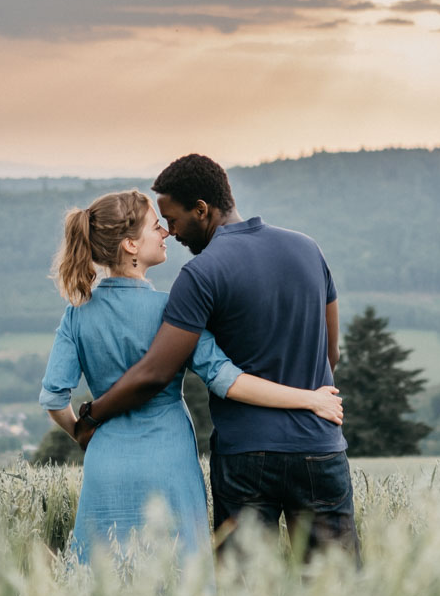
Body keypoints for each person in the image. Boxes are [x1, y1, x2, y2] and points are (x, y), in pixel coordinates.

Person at [73, 156, 360, 561]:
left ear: (201, 210)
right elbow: (331, 353)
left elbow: (155, 373)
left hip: (246, 459)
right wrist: (309, 399)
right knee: (336, 586)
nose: (170, 232)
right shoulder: (307, 249)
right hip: (319, 446)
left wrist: (91, 416)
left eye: (173, 219)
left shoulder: (201, 274)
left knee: (245, 590)